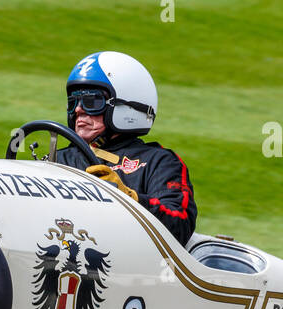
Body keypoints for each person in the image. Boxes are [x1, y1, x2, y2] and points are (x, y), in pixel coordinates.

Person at [54, 51, 197, 245]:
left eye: (91, 101)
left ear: (126, 106)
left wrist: (128, 198)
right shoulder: (57, 159)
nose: (78, 109)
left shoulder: (158, 162)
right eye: (73, 102)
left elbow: (180, 225)